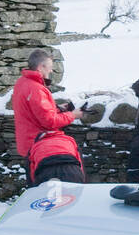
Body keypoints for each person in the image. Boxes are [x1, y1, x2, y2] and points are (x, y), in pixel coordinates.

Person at [11, 49, 84, 185]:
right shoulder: (36, 89)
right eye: (50, 67)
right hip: (37, 144)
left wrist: (57, 108)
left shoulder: (22, 82)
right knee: (38, 186)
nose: (51, 71)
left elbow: (34, 111)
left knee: (32, 180)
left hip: (27, 141)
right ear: (41, 67)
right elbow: (50, 122)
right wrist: (73, 115)